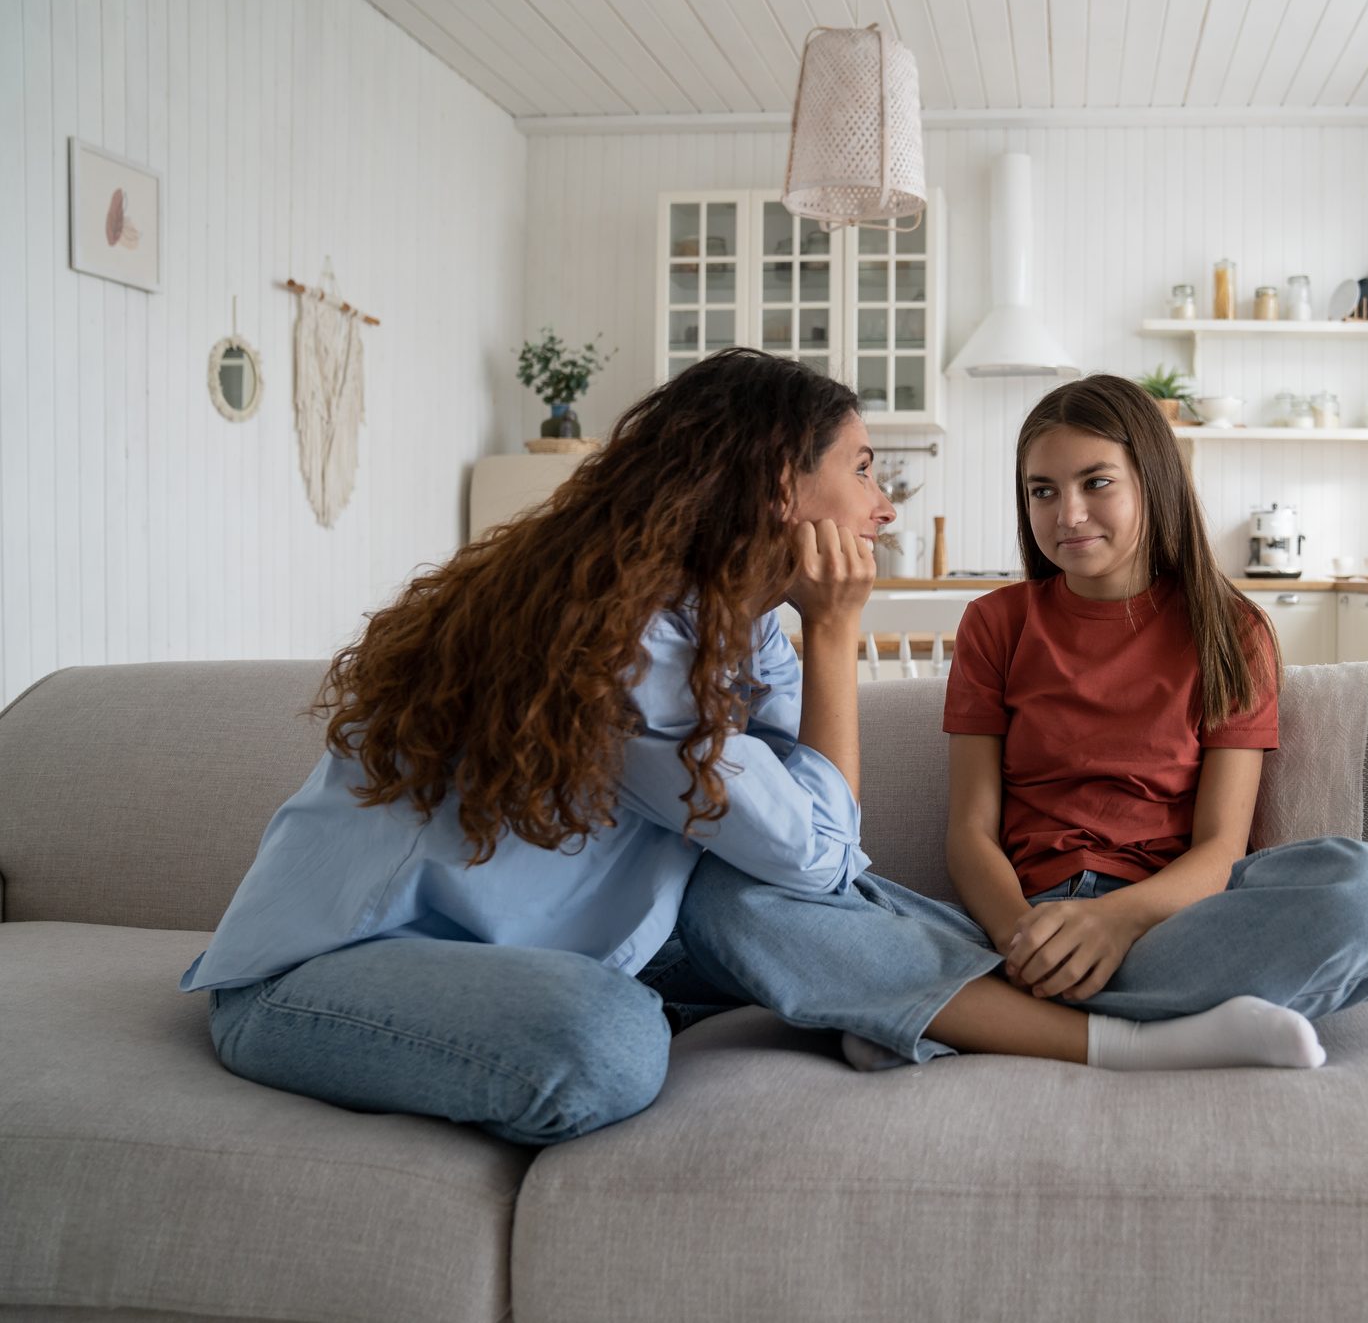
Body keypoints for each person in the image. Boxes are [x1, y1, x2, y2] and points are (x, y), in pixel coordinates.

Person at [182, 349, 902, 1144]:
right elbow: (818, 852)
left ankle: (947, 997)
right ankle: (888, 1002)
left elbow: (815, 846)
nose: (885, 507)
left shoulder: (733, 621)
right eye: (863, 469)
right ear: (779, 484)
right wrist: (833, 630)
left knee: (761, 910)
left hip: (520, 954)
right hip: (318, 977)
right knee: (611, 1041)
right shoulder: (629, 648)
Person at [676, 374, 1368, 1072]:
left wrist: (1113, 923)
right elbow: (971, 833)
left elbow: (1220, 848)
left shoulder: (1232, 629)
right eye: (1042, 491)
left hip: (1160, 927)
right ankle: (1094, 1029)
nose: (1067, 514)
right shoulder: (995, 624)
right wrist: (1019, 936)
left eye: (1096, 483)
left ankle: (948, 1012)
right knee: (728, 899)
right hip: (1004, 932)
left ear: (1154, 483)